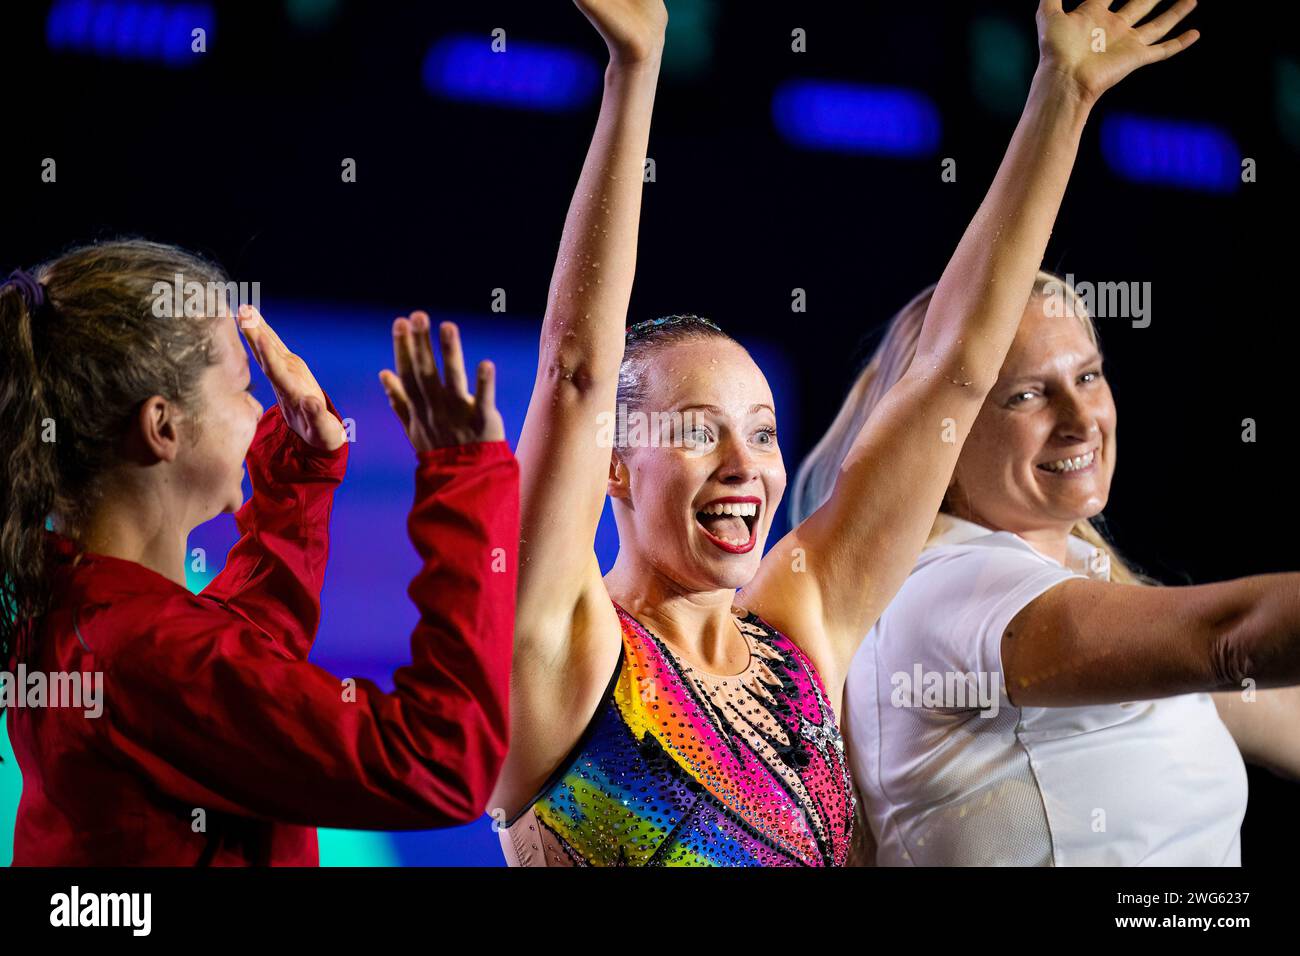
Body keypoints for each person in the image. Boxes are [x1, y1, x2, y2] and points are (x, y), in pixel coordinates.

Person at [491, 0, 1199, 866]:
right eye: (698, 434)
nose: (743, 467)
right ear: (614, 467)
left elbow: (955, 368)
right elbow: (574, 373)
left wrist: (1062, 93)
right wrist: (634, 72)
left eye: (761, 434)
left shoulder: (799, 629)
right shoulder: (564, 644)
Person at [0, 239, 518, 864]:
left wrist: (299, 470)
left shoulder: (75, 609)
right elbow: (437, 760)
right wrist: (465, 481)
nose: (257, 406)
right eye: (244, 386)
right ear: (163, 427)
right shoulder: (147, 651)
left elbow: (233, 673)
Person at [797, 266, 1300, 865]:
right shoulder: (944, 587)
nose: (1083, 420)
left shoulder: (1099, 593)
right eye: (1027, 395)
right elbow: (1229, 639)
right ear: (942, 443)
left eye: (1088, 376)